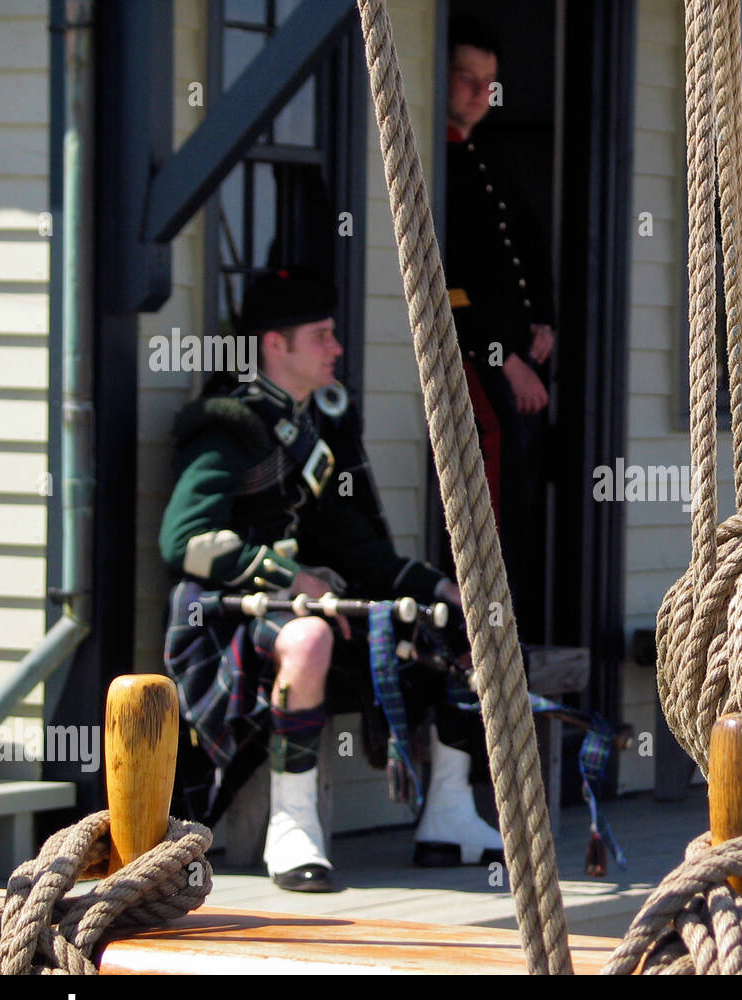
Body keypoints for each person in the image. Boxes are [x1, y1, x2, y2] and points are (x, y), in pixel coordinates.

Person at [159, 267, 504, 892]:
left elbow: (350, 540)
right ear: (275, 345)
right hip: (226, 613)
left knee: (460, 629)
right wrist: (294, 580)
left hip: (297, 603)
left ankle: (449, 813)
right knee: (309, 640)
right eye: (321, 336)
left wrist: (435, 587)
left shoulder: (307, 425)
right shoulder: (228, 425)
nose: (336, 348)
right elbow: (183, 542)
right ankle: (293, 826)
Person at [443, 14, 554, 631]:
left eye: (489, 81)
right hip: (473, 357)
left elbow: (527, 251)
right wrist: (503, 358)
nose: (481, 93)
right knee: (495, 457)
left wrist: (543, 323)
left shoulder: (488, 158)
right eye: (466, 78)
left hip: (516, 353)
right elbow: (450, 284)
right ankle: (486, 620)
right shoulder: (437, 161)